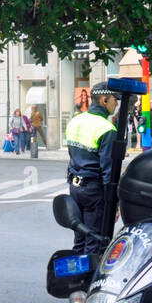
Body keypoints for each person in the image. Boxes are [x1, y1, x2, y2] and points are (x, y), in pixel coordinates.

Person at [63, 85, 119, 258]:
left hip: (75, 187)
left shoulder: (75, 121)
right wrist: (114, 203)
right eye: (114, 99)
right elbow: (108, 170)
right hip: (93, 191)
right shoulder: (106, 129)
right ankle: (89, 281)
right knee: (94, 240)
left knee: (79, 239)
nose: (116, 104)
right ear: (104, 100)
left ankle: (74, 280)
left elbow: (72, 155)